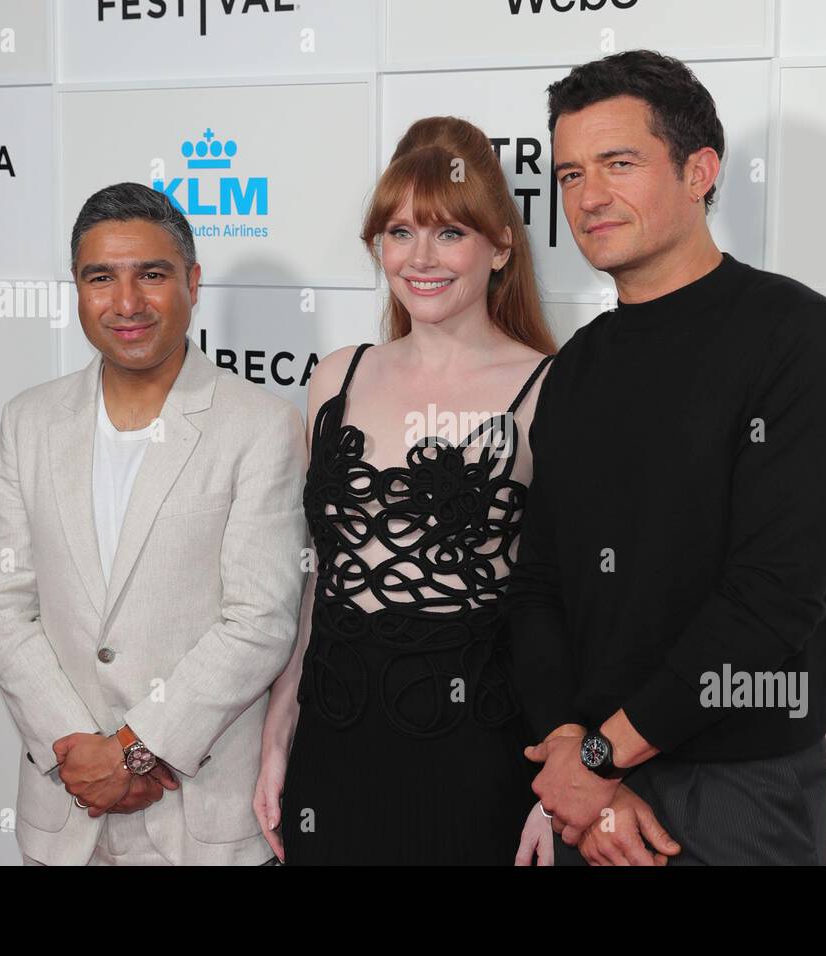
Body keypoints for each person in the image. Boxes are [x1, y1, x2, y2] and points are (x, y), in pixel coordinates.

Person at [508, 50, 826, 865]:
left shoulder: (798, 340)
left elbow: (774, 597)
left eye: (619, 164)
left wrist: (604, 755)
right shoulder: (578, 365)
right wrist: (572, 752)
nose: (588, 197)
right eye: (569, 175)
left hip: (736, 793)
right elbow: (537, 585)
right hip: (590, 796)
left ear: (699, 170)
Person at [0, 182, 307, 865]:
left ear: (192, 281)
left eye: (151, 275)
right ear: (76, 288)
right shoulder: (26, 422)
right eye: (102, 278)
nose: (126, 304)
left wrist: (131, 751)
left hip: (198, 821)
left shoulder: (261, 426)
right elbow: (3, 603)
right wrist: (80, 754)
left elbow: (260, 620)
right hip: (65, 813)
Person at [254, 117, 557, 865]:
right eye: (398, 232)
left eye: (450, 233)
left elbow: (569, 601)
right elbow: (319, 578)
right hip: (336, 734)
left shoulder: (549, 388)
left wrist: (559, 790)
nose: (420, 259)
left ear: (500, 246)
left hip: (476, 752)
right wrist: (277, 735)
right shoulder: (337, 376)